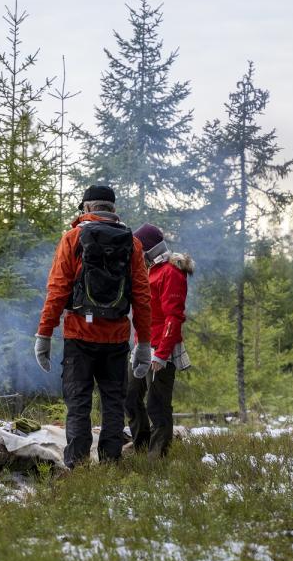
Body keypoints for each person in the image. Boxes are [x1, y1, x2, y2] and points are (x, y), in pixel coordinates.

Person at [34, 184, 151, 469]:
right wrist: (144, 343)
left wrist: (44, 334)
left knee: (78, 402)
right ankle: (111, 463)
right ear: (113, 209)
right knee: (113, 402)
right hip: (116, 337)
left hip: (79, 336)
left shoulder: (72, 238)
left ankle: (77, 464)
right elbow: (142, 297)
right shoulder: (132, 244)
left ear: (86, 208)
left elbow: (58, 290)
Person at [125, 223, 193, 458]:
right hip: (142, 346)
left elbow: (173, 318)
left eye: (137, 247)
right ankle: (142, 447)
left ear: (147, 248)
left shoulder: (171, 272)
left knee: (157, 404)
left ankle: (157, 459)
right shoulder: (148, 269)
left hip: (162, 347)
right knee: (130, 397)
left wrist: (162, 354)